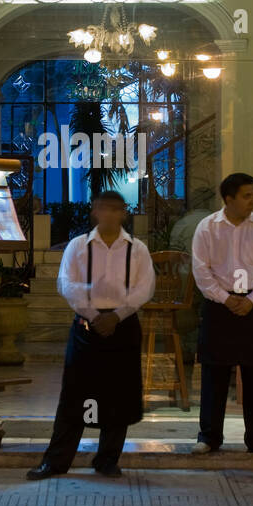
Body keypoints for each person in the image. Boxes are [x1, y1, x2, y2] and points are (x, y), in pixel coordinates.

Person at [26, 190, 156, 480]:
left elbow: (144, 288)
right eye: (103, 208)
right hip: (87, 327)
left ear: (124, 212)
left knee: (118, 395)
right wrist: (96, 316)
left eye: (115, 209)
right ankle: (56, 462)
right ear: (94, 211)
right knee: (74, 395)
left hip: (123, 326)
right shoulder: (78, 246)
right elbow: (66, 284)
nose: (109, 214)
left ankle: (107, 460)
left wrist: (116, 316)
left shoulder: (137, 250)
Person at [190, 172, 253, 457]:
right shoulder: (207, 228)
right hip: (220, 307)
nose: (252, 201)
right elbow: (201, 270)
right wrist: (225, 298)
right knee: (214, 373)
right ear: (228, 199)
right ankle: (209, 437)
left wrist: (251, 300)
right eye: (246, 196)